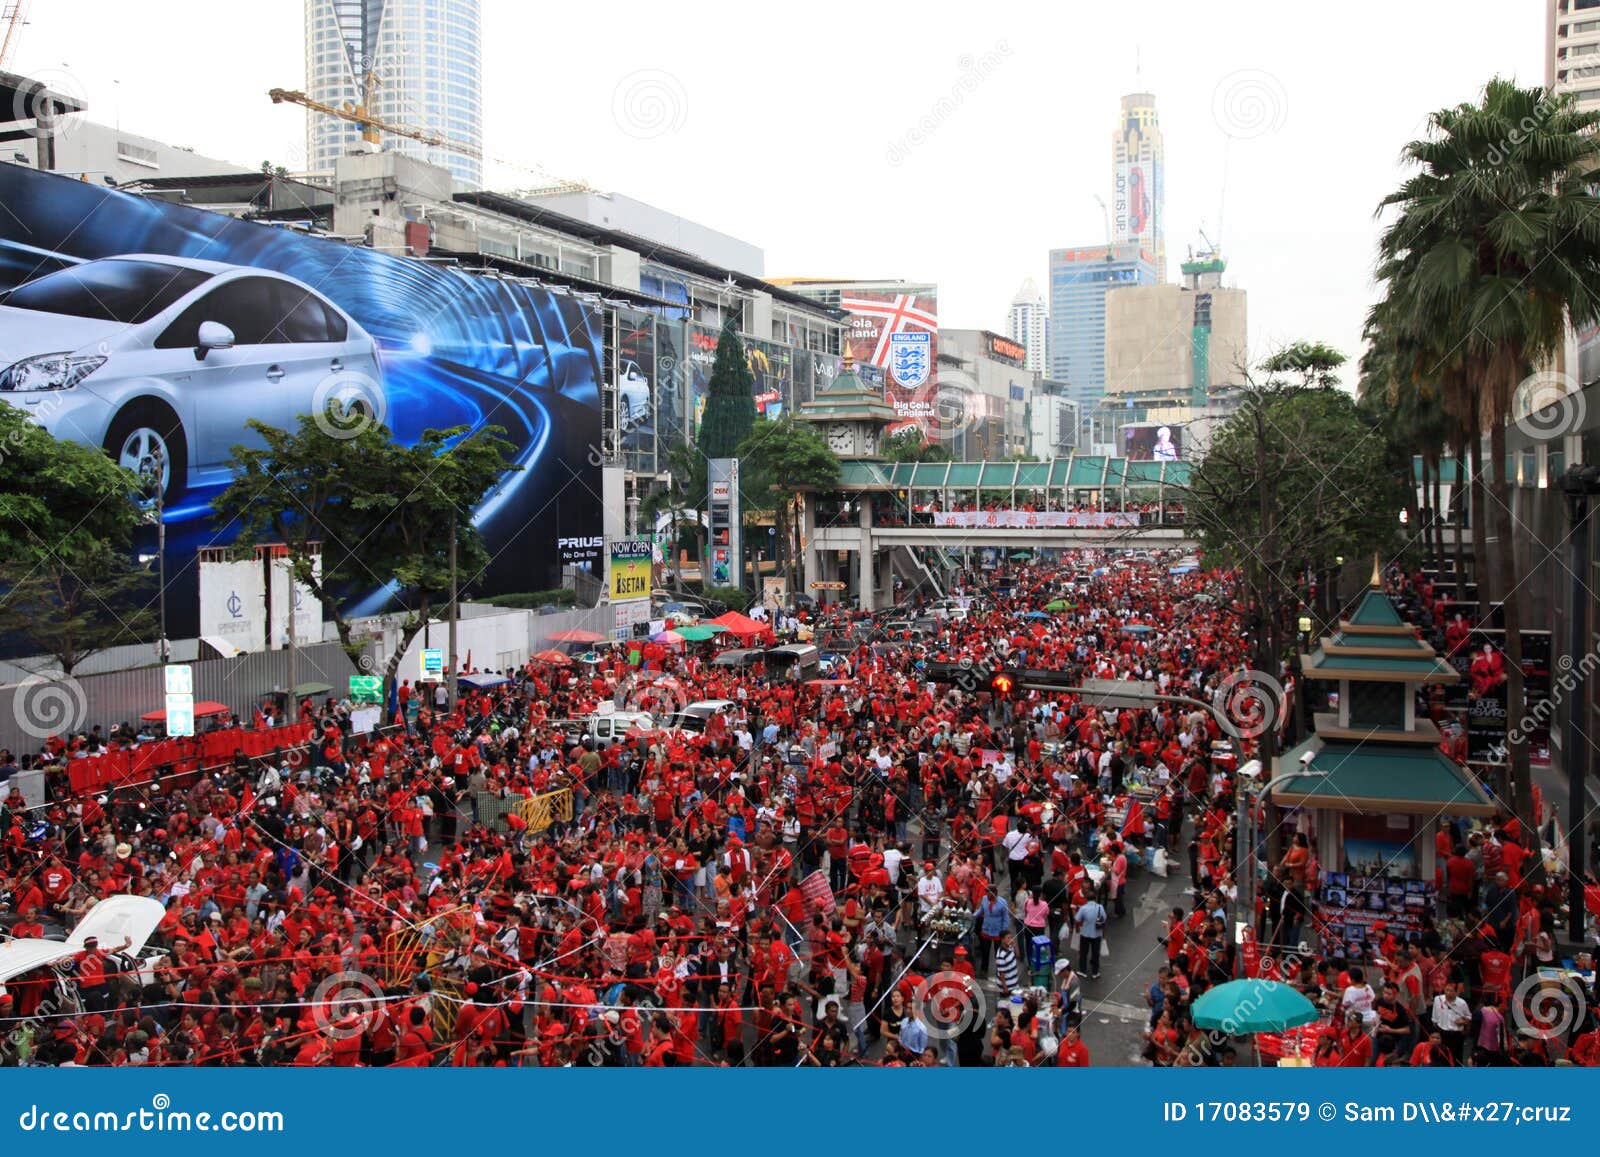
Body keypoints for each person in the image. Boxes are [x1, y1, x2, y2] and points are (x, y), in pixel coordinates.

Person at [1075, 887, 1108, 979]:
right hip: (1097, 934)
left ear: (1086, 898)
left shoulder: (1083, 908)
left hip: (1085, 934)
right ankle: (1095, 972)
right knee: (1095, 953)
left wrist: (1077, 929)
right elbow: (1104, 920)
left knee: (1083, 953)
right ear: (1095, 898)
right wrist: (1104, 935)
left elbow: (1077, 919)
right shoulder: (1100, 908)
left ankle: (1082, 970)